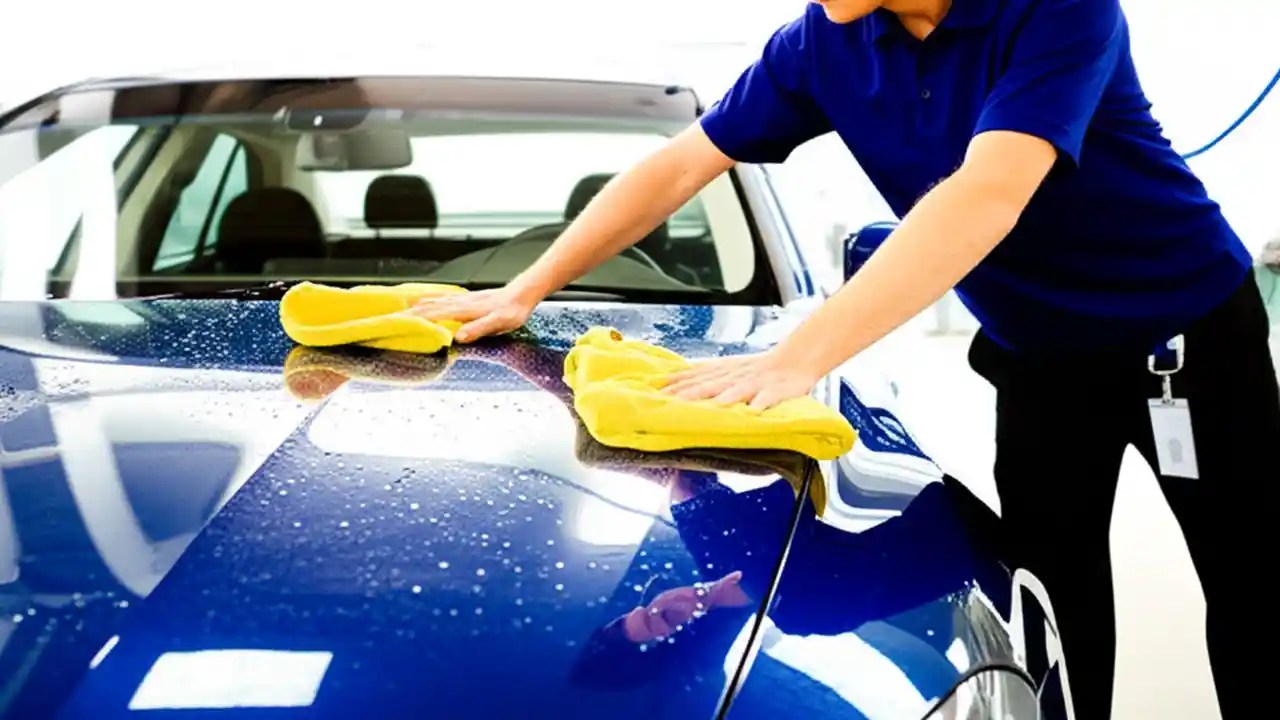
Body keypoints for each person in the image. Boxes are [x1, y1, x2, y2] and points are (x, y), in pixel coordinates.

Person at [414, 1, 1280, 716]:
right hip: (1039, 358)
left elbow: (987, 194)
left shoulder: (1057, 10)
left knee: (1248, 586)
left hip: (1188, 341)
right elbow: (682, 165)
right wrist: (527, 289)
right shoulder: (822, 42)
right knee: (1053, 588)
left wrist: (800, 357)